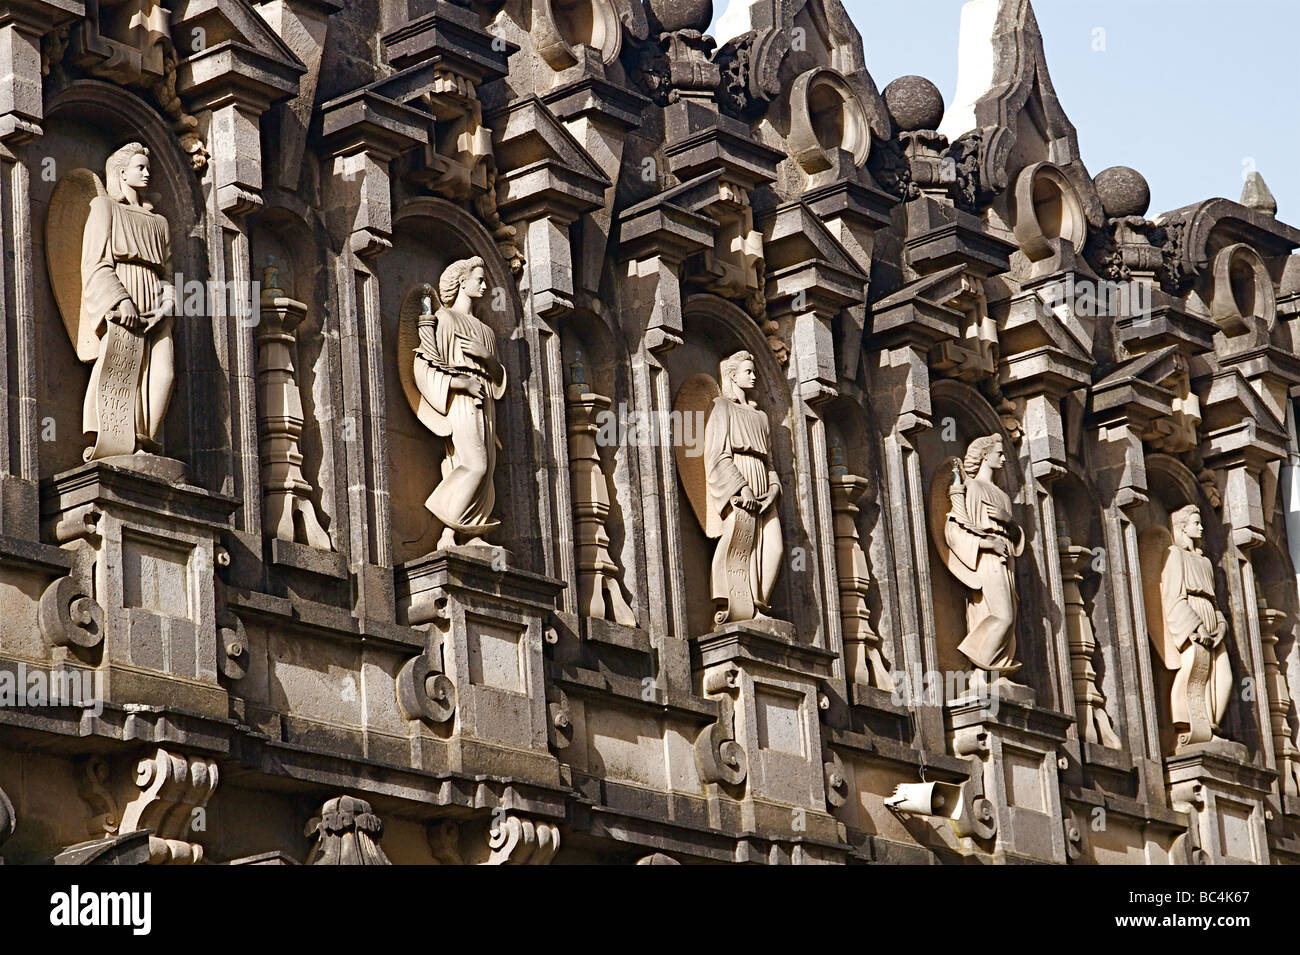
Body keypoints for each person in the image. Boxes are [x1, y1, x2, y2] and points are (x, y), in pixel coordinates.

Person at [81, 142, 175, 454]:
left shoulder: (159, 222)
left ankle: (148, 438)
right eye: (140, 168)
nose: (148, 174)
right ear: (122, 173)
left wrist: (168, 302)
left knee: (164, 372)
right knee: (123, 368)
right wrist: (119, 300)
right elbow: (94, 263)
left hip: (156, 301)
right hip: (124, 294)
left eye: (149, 168)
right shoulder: (104, 208)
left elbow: (168, 273)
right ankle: (119, 442)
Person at [413, 256, 506, 549]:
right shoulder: (445, 320)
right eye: (478, 279)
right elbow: (425, 365)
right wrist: (461, 383)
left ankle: (474, 531)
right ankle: (448, 532)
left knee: (487, 468)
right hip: (461, 398)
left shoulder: (486, 332)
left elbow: (498, 377)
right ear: (462, 282)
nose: (484, 284)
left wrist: (487, 358)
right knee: (473, 464)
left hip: (486, 399)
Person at [703, 350, 782, 624]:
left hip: (763, 485)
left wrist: (773, 488)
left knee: (774, 547)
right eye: (748, 371)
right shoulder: (722, 407)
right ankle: (742, 608)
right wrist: (741, 488)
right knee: (742, 544)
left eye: (754, 371)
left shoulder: (761, 417)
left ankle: (760, 603)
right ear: (733, 375)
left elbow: (770, 461)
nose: (754, 376)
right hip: (739, 481)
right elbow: (716, 454)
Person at [944, 434, 1024, 677]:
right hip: (987, 558)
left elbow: (1016, 538)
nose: (1003, 458)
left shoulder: (1002, 497)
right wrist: (987, 545)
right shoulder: (972, 488)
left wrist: (1009, 522)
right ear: (984, 455)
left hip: (1005, 559)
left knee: (1009, 617)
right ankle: (981, 664)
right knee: (1002, 616)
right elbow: (954, 530)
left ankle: (993, 668)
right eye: (998, 453)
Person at [1160, 505, 1232, 741]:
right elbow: (1173, 598)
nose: (1201, 528)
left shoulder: (1205, 562)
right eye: (1196, 523)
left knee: (1224, 677)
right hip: (1192, 619)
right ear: (1182, 527)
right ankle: (1190, 728)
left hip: (1210, 618)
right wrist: (1196, 627)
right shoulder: (1174, 555)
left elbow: (1214, 602)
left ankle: (1212, 726)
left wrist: (1221, 625)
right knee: (1196, 673)